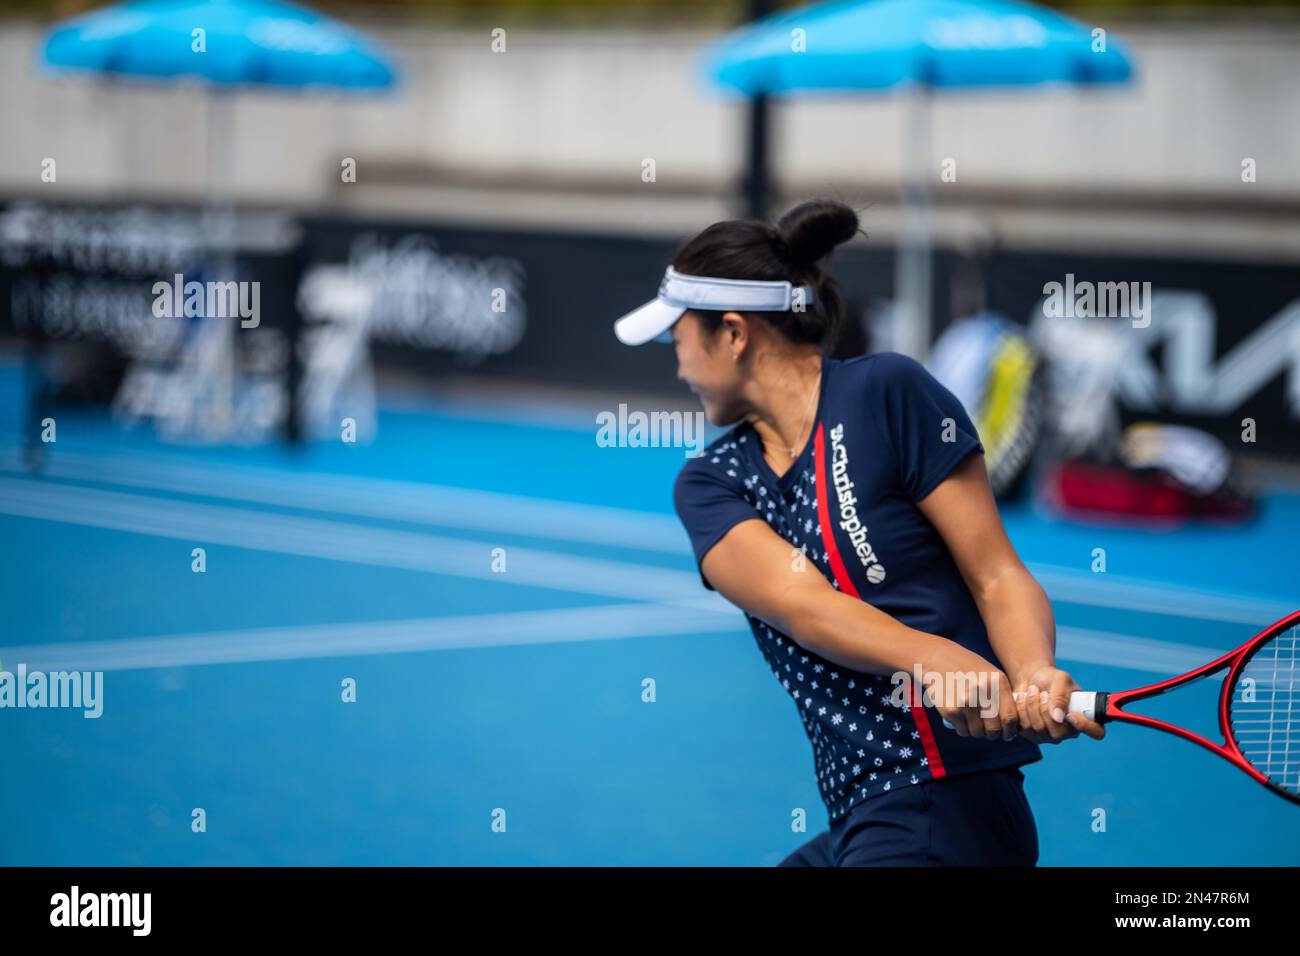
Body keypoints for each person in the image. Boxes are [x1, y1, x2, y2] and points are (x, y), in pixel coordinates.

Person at [612, 199, 1104, 866]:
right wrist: (932, 656)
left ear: (732, 334)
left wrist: (1033, 671)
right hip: (863, 814)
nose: (678, 367)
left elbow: (997, 575)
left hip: (944, 805)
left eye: (679, 342)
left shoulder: (888, 392)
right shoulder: (712, 483)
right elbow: (806, 605)